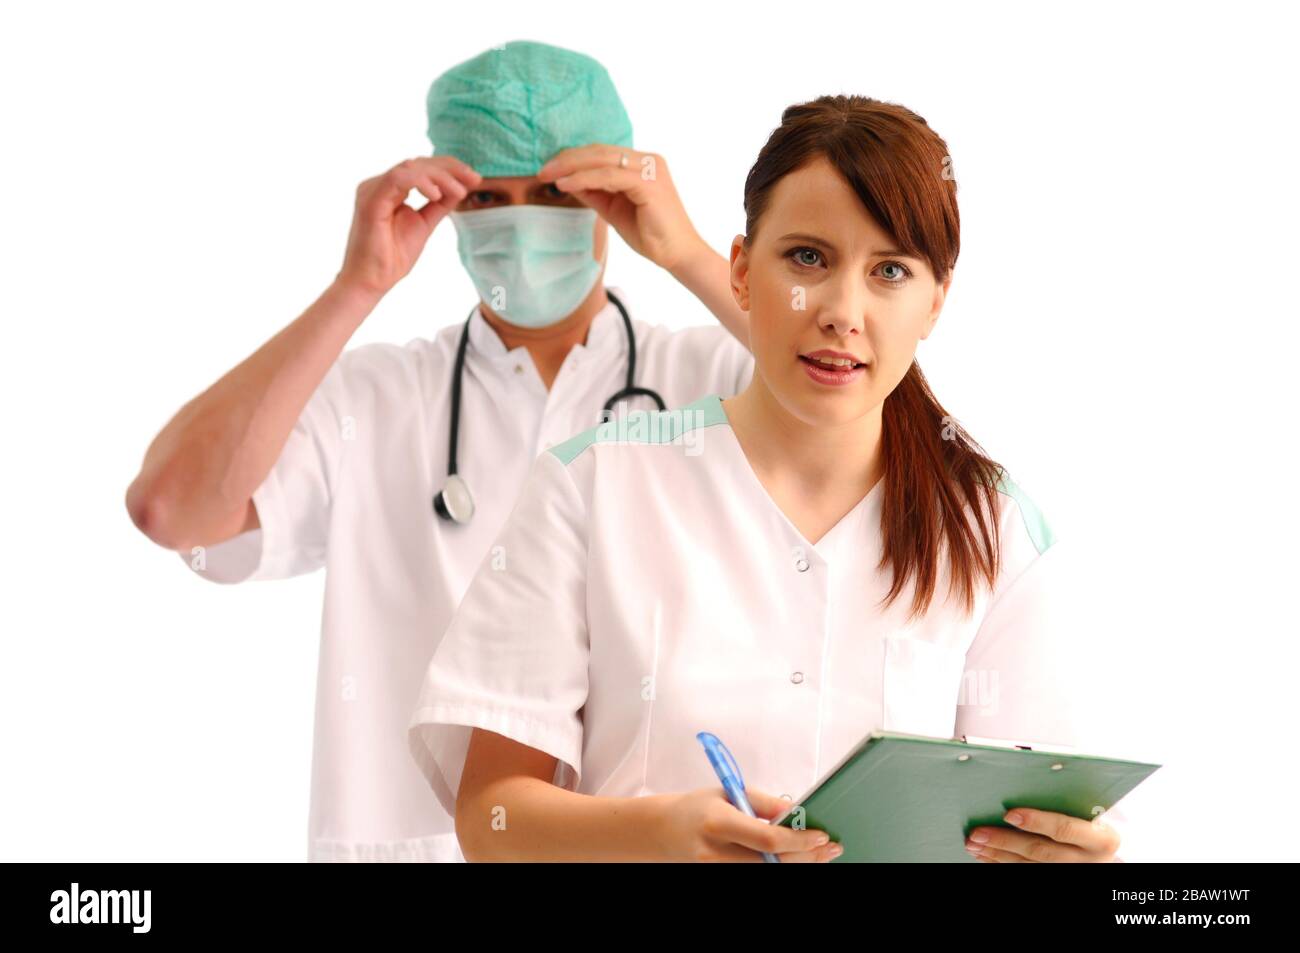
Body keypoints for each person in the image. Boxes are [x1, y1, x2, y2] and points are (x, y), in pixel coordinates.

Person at [408, 94, 1129, 862]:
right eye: (808, 258)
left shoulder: (996, 533)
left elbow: (1030, 820)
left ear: (935, 303)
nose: (842, 312)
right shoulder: (593, 485)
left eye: (890, 270)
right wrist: (655, 834)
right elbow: (489, 815)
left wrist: (1067, 857)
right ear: (743, 272)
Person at [124, 40, 755, 862]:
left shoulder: (712, 375)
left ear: (612, 198)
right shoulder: (375, 399)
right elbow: (170, 508)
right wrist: (357, 286)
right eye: (489, 195)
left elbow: (886, 414)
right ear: (450, 205)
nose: (521, 221)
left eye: (557, 194)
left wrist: (689, 255)